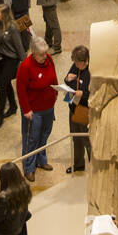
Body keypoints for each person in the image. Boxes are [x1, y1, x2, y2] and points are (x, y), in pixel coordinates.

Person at [16, 38, 58, 182]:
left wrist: (56, 92)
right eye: (41, 54)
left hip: (48, 108)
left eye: (45, 53)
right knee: (31, 139)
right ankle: (29, 168)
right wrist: (26, 109)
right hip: (34, 111)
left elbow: (54, 77)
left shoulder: (49, 60)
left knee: (44, 135)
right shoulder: (25, 66)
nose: (44, 56)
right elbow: (21, 90)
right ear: (33, 53)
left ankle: (41, 160)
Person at [0, 0, 24, 129]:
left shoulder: (12, 28)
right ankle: (12, 106)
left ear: (4, 15)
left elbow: (19, 48)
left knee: (1, 85)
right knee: (4, 83)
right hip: (1, 57)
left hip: (12, 59)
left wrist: (23, 64)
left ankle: (0, 114)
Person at [64, 44, 91, 174]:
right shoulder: (76, 65)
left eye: (77, 63)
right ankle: (78, 164)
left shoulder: (91, 71)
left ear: (85, 61)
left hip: (85, 110)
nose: (75, 65)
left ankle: (95, 165)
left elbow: (89, 91)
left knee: (87, 140)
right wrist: (76, 87)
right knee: (76, 138)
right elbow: (67, 80)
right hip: (73, 106)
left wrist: (81, 92)